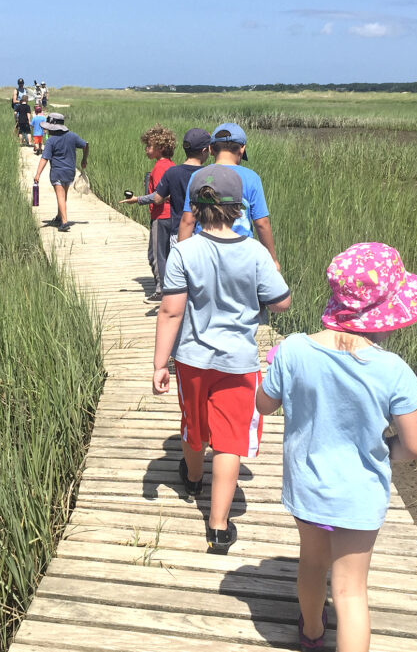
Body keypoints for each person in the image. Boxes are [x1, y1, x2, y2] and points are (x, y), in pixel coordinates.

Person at [255, 242, 417, 652]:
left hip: (308, 485)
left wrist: (275, 367)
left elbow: (264, 404)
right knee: (351, 591)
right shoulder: (392, 370)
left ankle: (312, 633)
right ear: (386, 314)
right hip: (359, 493)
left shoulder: (295, 349)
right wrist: (391, 454)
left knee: (312, 565)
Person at [152, 164, 291, 551]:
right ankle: (217, 526)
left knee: (194, 424)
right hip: (240, 364)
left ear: (194, 207)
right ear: (240, 208)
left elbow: (171, 311)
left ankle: (193, 479)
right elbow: (282, 303)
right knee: (230, 441)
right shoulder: (256, 254)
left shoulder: (184, 251)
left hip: (193, 360)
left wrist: (160, 363)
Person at [178, 123, 280, 271]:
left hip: (204, 254)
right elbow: (262, 223)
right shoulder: (251, 178)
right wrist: (273, 259)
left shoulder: (198, 176)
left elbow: (187, 221)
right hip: (242, 257)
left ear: (211, 149)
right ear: (242, 149)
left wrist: (182, 258)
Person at [120, 128, 210, 249]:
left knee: (171, 262)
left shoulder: (172, 172)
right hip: (203, 232)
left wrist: (137, 199)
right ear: (205, 150)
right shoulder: (210, 173)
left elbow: (157, 198)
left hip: (178, 230)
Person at [123, 124, 176, 304]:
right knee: (166, 254)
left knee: (156, 254)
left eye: (149, 146)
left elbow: (159, 196)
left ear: (160, 148)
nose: (146, 149)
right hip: (172, 216)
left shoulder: (160, 167)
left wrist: (137, 200)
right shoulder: (170, 165)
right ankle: (171, 288)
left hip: (161, 216)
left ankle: (162, 291)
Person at [33, 113, 89, 233]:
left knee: (60, 196)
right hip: (70, 172)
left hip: (57, 172)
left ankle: (64, 222)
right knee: (63, 196)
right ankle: (59, 217)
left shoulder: (51, 141)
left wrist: (38, 174)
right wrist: (84, 159)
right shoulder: (72, 136)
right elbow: (86, 145)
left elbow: (44, 158)